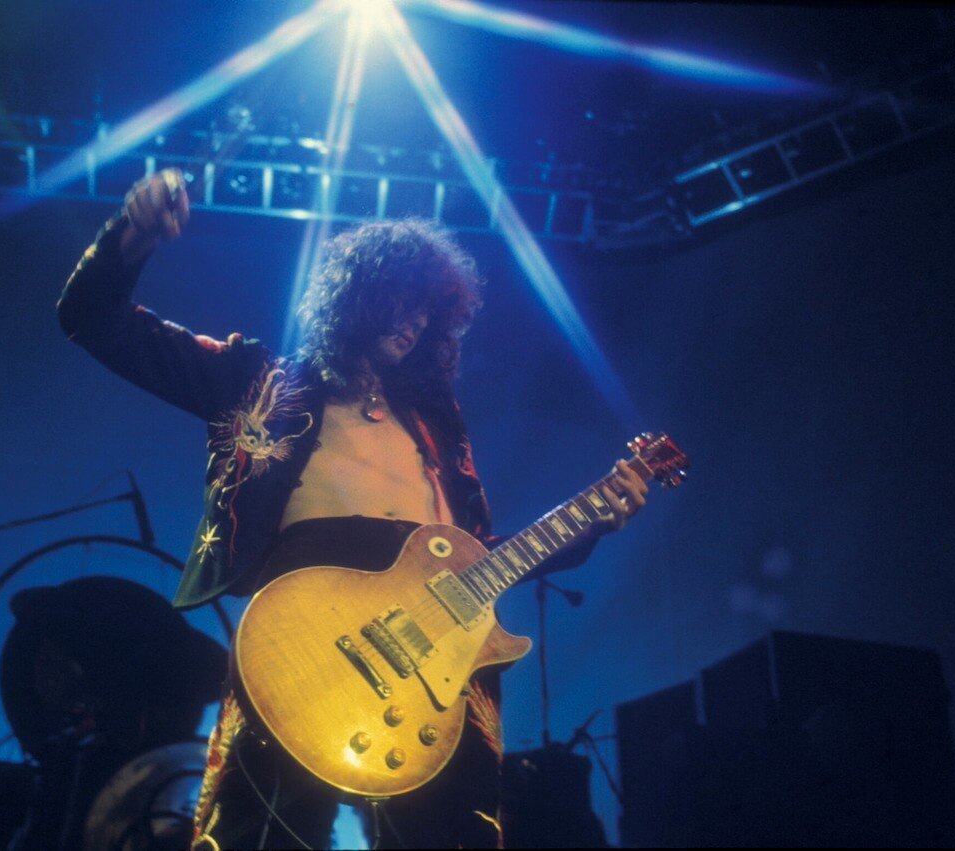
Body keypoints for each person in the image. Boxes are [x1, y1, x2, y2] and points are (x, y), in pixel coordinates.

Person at [57, 168, 648, 850]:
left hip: (431, 676)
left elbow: (479, 560)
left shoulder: (438, 430)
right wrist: (131, 235)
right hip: (301, 651)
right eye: (401, 299)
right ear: (356, 294)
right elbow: (92, 319)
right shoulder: (261, 383)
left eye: (428, 310)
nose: (413, 320)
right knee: (257, 835)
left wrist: (596, 516)